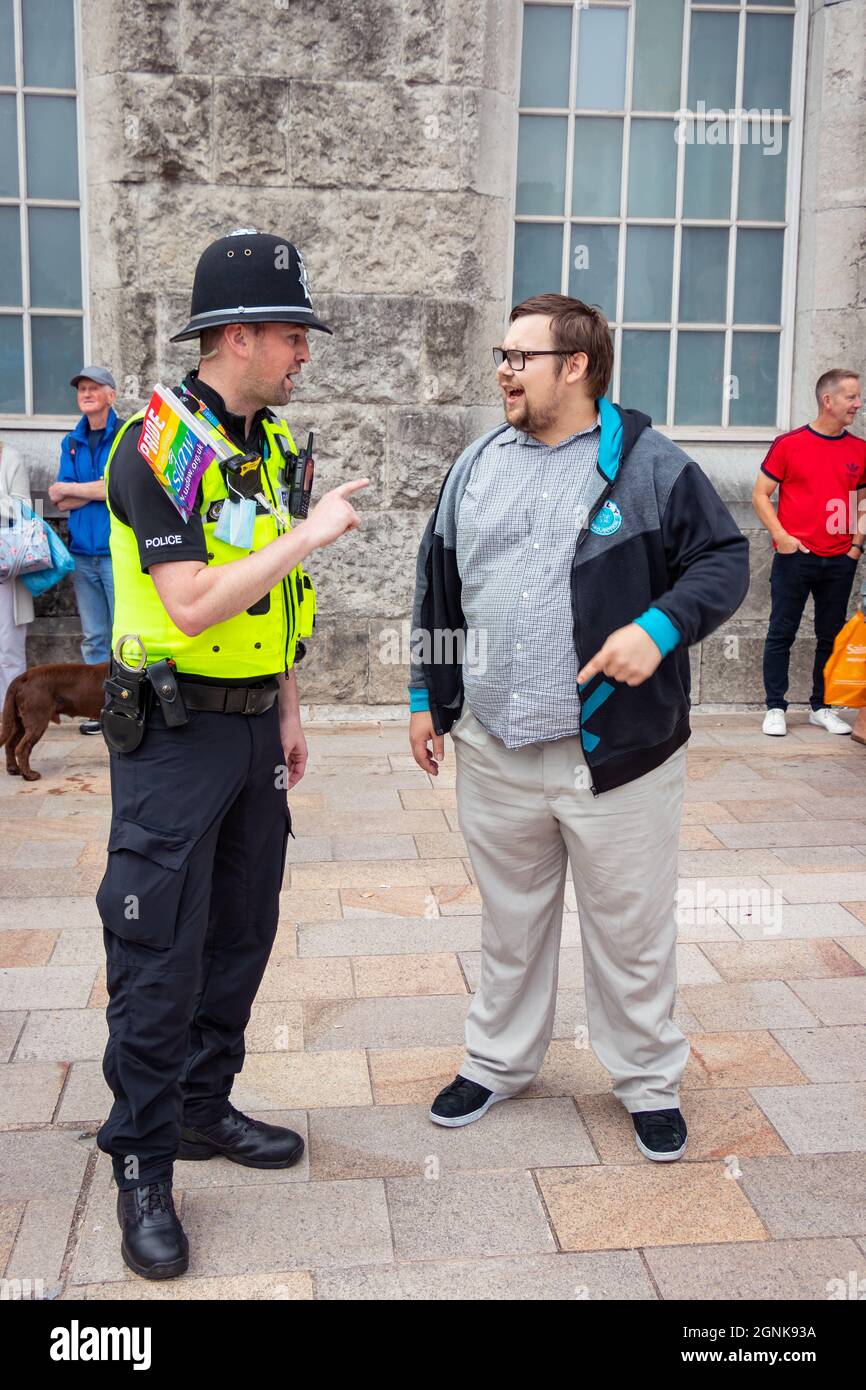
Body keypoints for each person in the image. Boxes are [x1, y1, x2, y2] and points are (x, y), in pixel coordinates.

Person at [408, 293, 750, 1161]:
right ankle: (498, 1062)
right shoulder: (477, 461)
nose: (503, 370)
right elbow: (438, 582)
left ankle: (646, 1082)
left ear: (577, 367)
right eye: (502, 354)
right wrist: (426, 695)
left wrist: (659, 627)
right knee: (509, 922)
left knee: (630, 931)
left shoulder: (648, 465)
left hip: (617, 756)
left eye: (521, 357)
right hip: (494, 745)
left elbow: (724, 559)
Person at [95, 229, 368, 1280]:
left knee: (241, 932)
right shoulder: (153, 446)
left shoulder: (265, 445)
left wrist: (289, 707)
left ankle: (204, 1109)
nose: (306, 354)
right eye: (294, 335)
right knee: (159, 952)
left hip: (253, 725)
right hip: (172, 734)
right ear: (239, 335)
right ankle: (141, 1163)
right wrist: (309, 534)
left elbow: (277, 601)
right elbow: (196, 601)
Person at [753, 368, 866, 736]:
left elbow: (862, 502)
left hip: (840, 559)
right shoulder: (790, 444)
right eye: (851, 397)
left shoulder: (859, 450)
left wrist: (855, 547)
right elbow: (760, 494)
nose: (858, 404)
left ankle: (822, 706)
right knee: (781, 631)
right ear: (827, 400)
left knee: (830, 635)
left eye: (857, 396)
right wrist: (782, 537)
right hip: (795, 556)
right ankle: (775, 707)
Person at [49, 367, 122, 733]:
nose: (86, 393)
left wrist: (76, 489)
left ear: (112, 394)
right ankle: (100, 710)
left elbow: (118, 489)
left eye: (94, 387)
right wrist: (92, 489)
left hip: (116, 553)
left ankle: (125, 707)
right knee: (95, 635)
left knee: (123, 633)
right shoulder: (71, 442)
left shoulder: (126, 435)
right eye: (81, 389)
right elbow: (59, 499)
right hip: (82, 554)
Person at [0, 439, 34, 707]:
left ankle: (12, 712)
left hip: (6, 566)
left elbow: (25, 509)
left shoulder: (9, 457)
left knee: (8, 646)